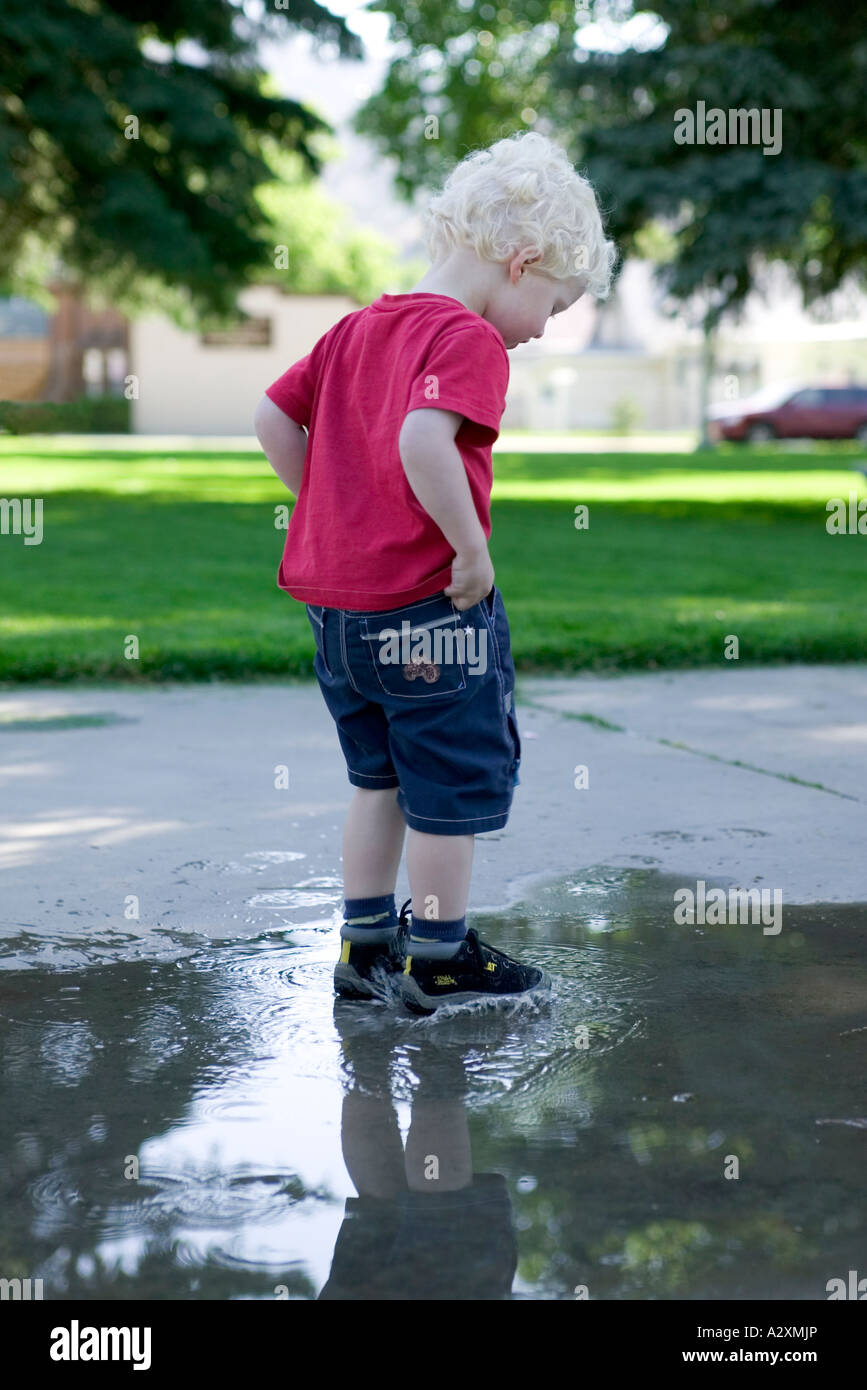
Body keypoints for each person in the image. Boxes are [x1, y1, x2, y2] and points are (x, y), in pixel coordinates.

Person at [254, 131, 617, 1014]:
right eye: (553, 308)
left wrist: (333, 510)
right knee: (445, 789)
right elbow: (424, 441)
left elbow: (272, 418)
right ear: (521, 262)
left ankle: (365, 944)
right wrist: (469, 547)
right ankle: (441, 955)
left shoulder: (355, 328)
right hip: (427, 611)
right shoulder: (466, 339)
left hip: (337, 614)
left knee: (375, 777)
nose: (538, 333)